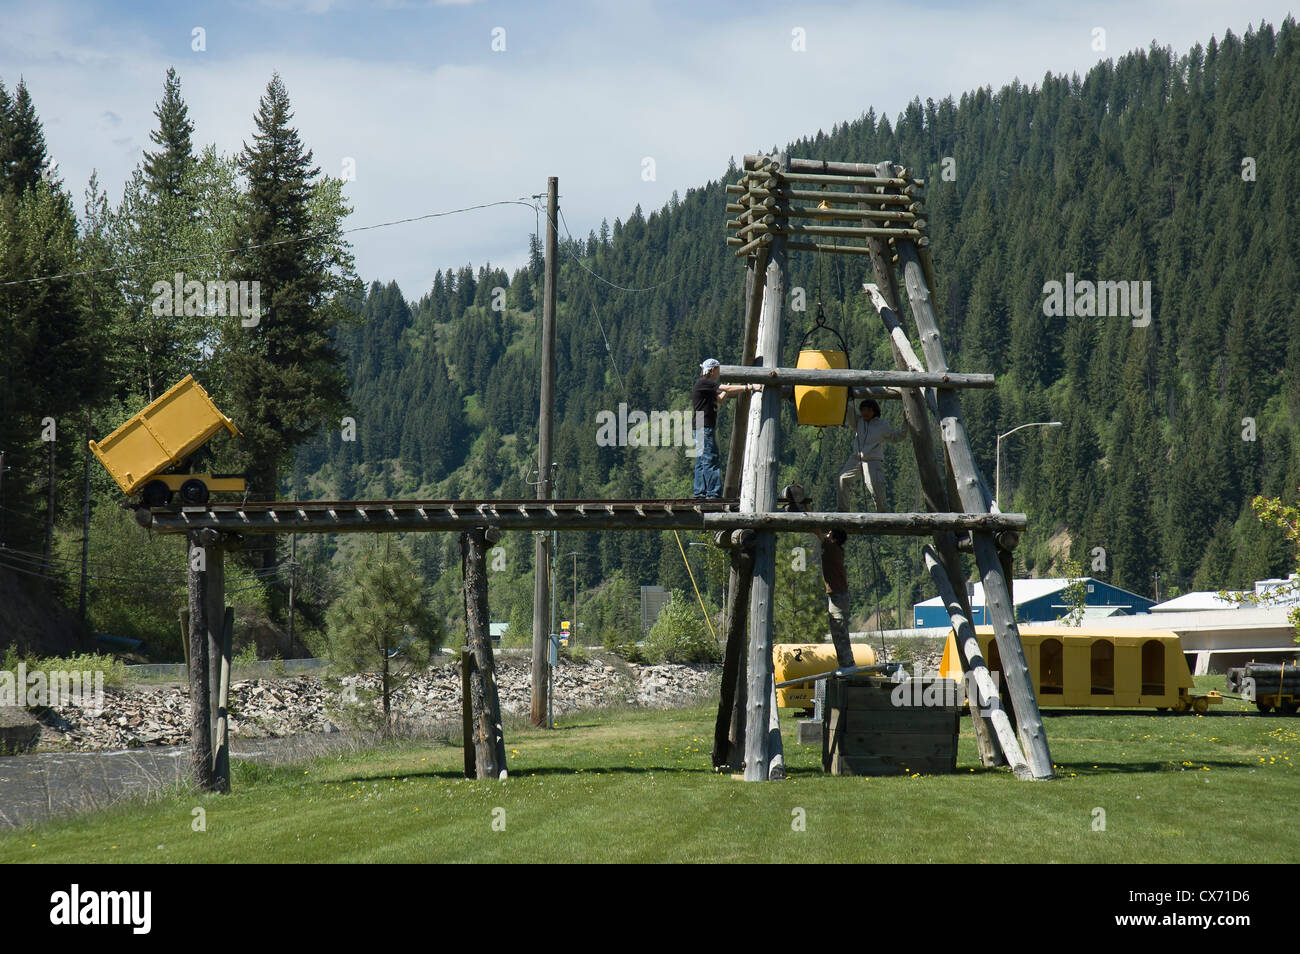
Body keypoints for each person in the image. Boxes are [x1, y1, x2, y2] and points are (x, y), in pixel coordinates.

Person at [691, 358, 755, 498]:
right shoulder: (706, 383)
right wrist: (749, 387)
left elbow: (719, 399)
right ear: (712, 370)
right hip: (704, 425)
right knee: (710, 459)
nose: (719, 372)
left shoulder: (704, 385)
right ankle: (713, 493)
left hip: (699, 424)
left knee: (702, 461)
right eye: (718, 369)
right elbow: (727, 389)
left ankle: (700, 492)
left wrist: (728, 386)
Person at [837, 398, 906, 512]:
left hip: (873, 460)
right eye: (863, 410)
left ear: (875, 411)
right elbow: (848, 409)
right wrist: (847, 395)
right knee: (842, 479)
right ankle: (843, 512)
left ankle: (883, 515)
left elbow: (897, 437)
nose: (865, 413)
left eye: (868, 410)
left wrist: (906, 422)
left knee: (876, 488)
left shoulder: (882, 425)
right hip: (856, 458)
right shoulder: (858, 421)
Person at [821, 528, 855, 668]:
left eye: (829, 534)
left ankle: (847, 664)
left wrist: (804, 511)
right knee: (839, 629)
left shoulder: (832, 548)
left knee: (839, 629)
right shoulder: (835, 548)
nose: (827, 535)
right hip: (839, 594)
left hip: (838, 595)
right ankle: (846, 663)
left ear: (833, 539)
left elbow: (816, 531)